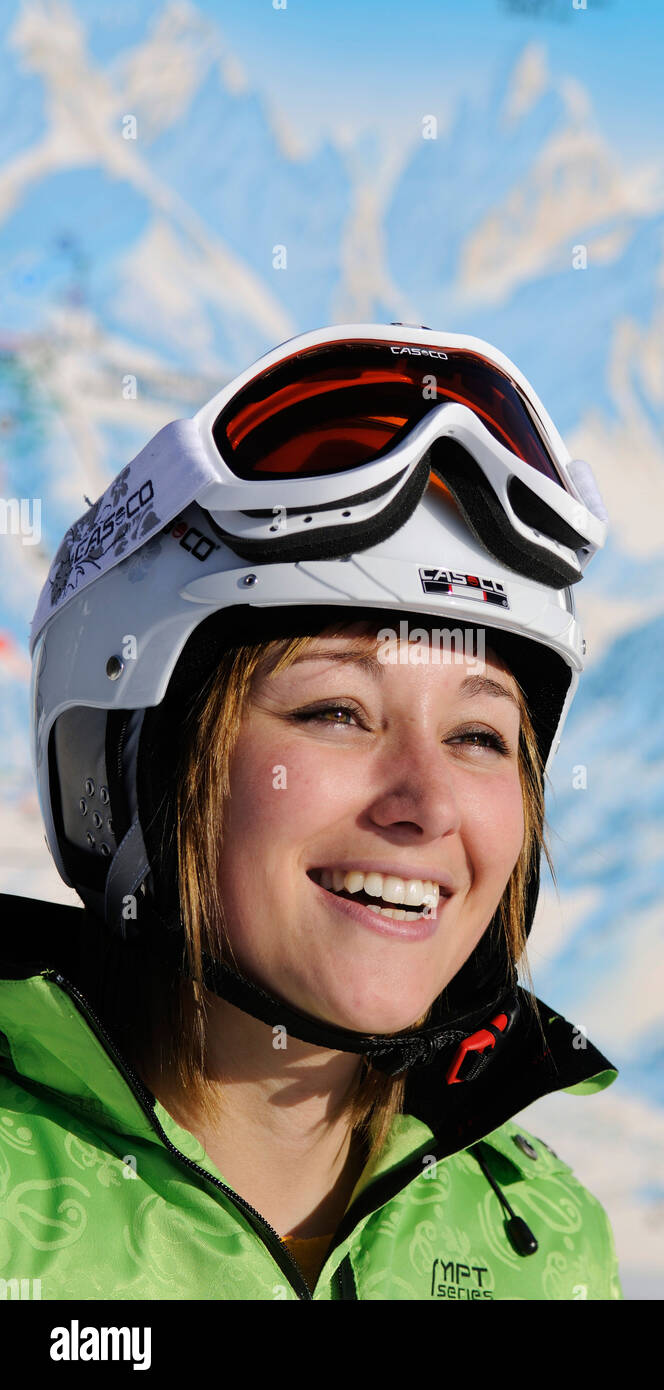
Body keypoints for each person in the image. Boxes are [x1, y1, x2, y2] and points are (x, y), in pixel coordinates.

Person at [1, 322, 622, 1301]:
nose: (424, 806)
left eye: (477, 736)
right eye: (336, 712)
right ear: (126, 763)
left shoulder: (536, 1238)